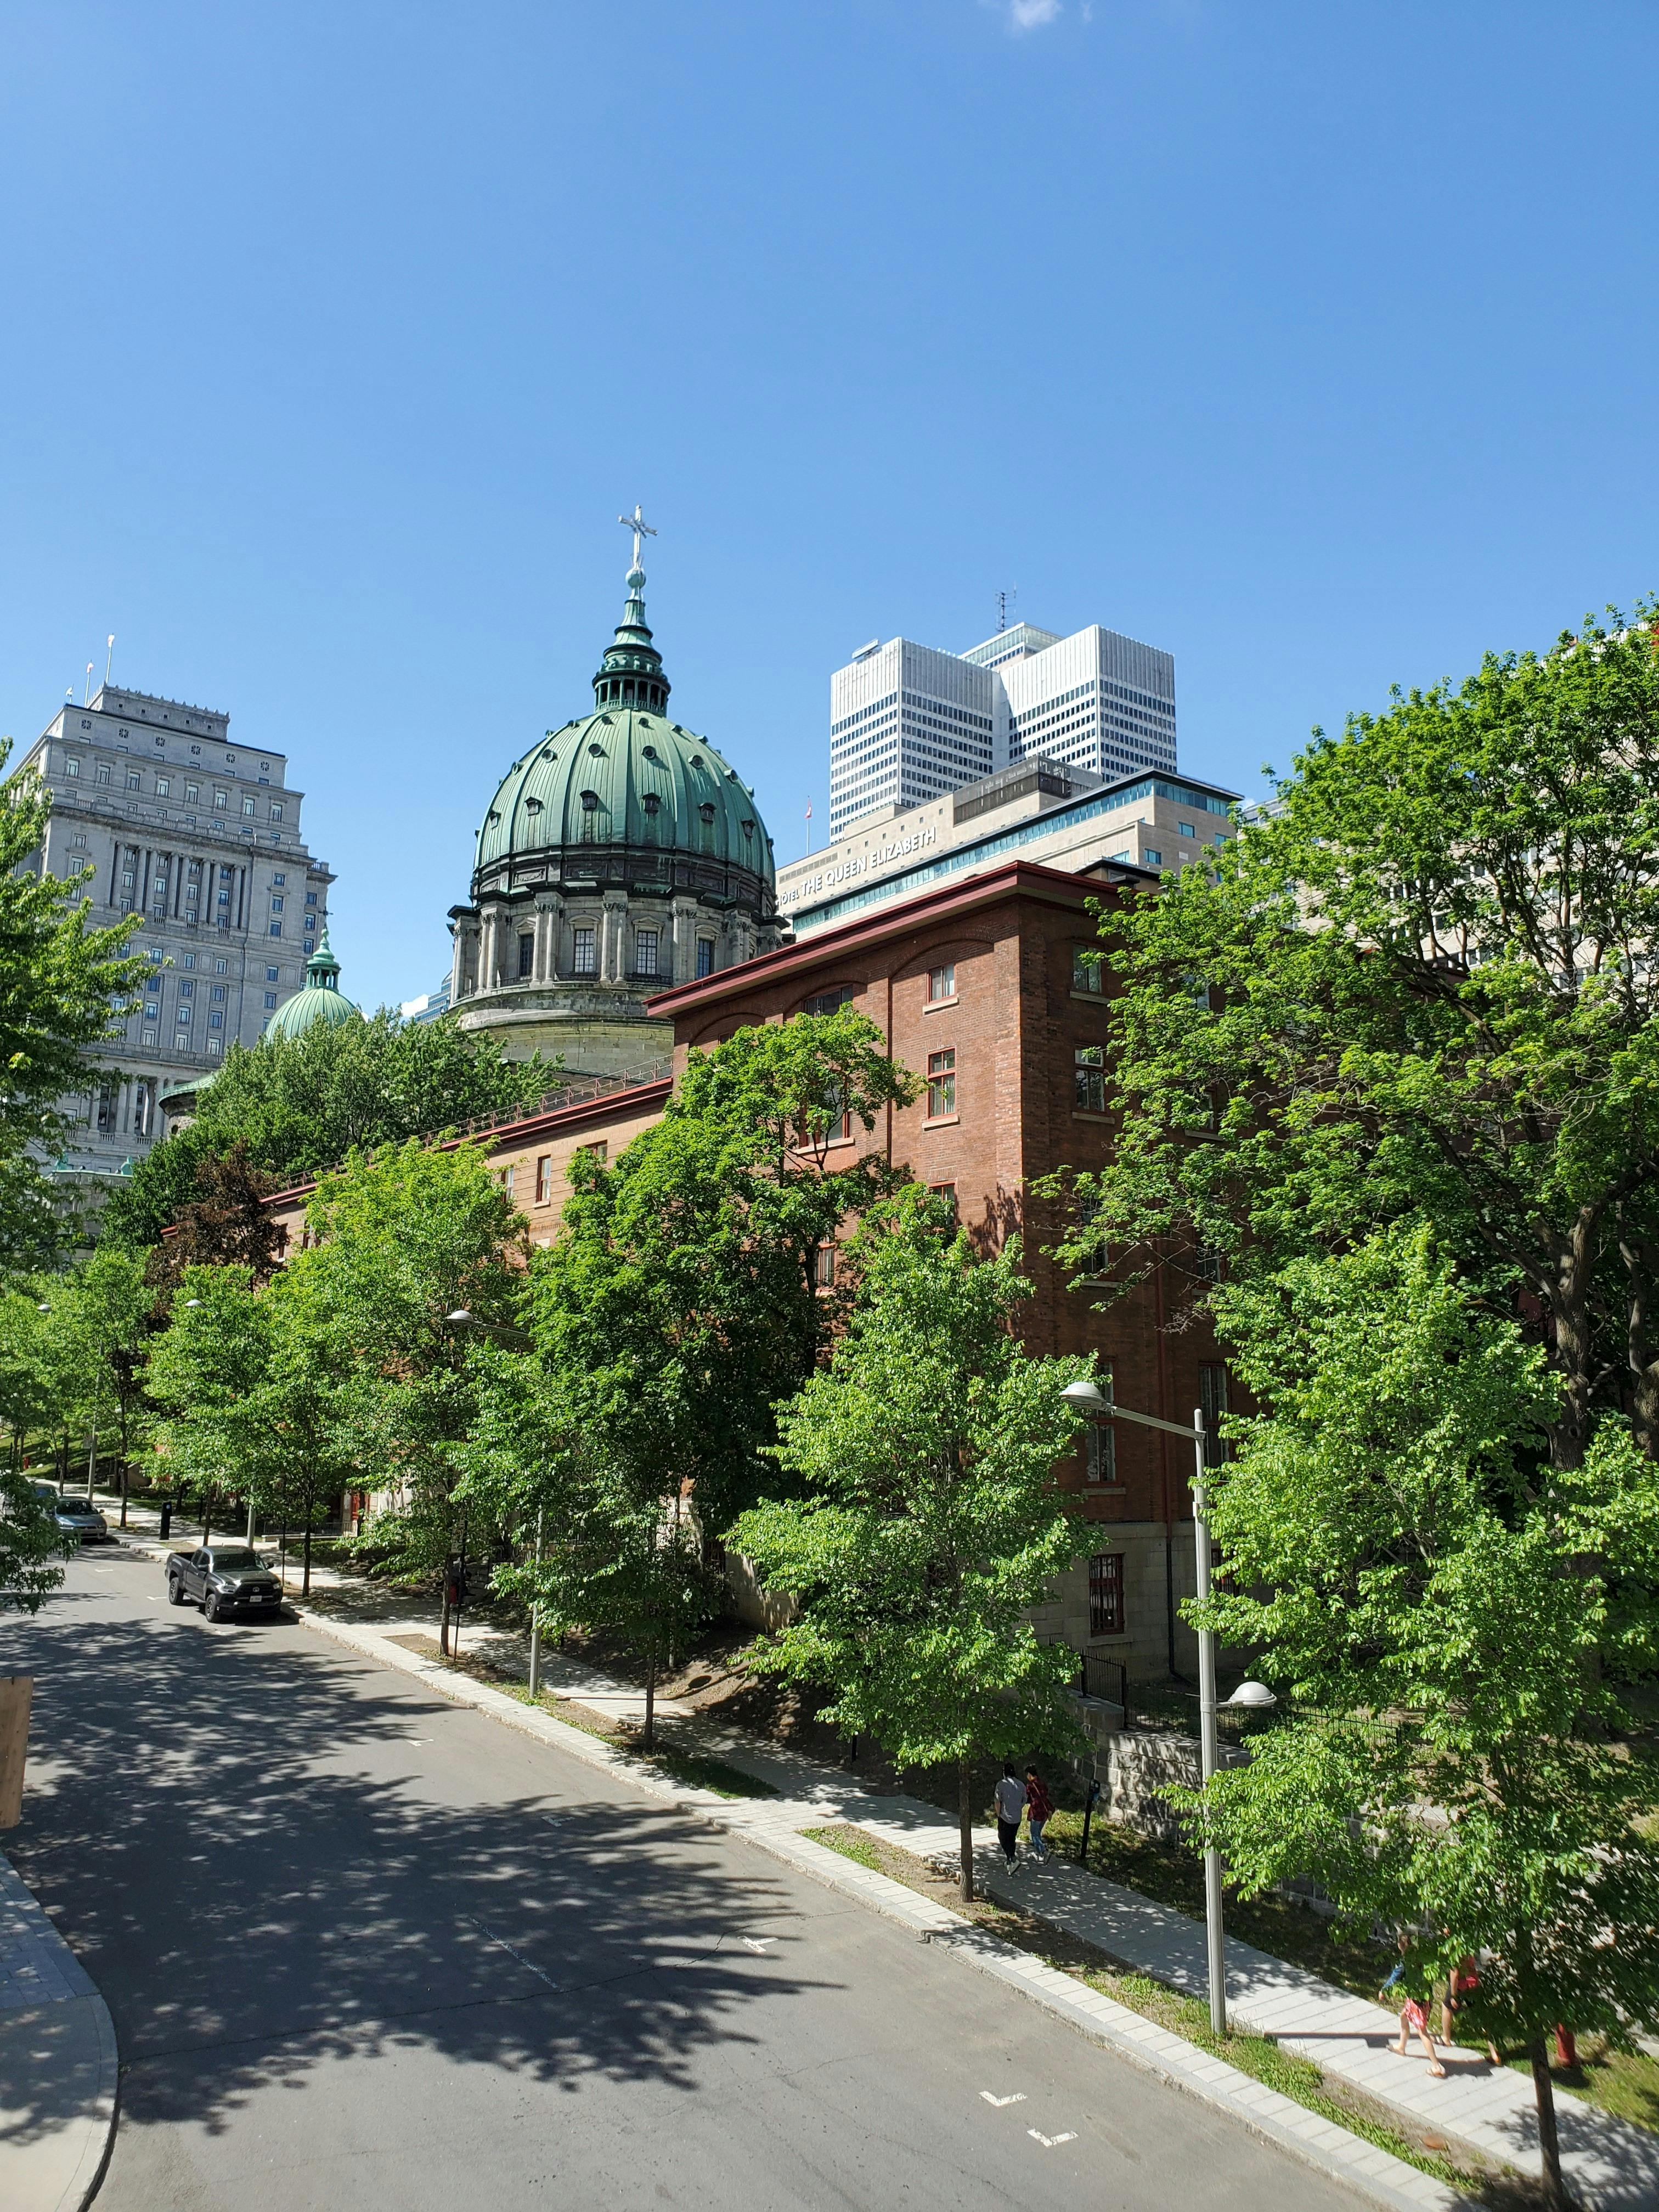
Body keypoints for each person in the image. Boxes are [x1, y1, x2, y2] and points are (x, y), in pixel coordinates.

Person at [1383, 1934, 1446, 2076]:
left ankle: (1437, 2066)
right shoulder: (1421, 1957)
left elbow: (1395, 1976)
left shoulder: (1404, 1962)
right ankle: (1401, 2047)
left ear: (1400, 1946)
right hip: (1424, 1998)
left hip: (1416, 2001)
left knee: (1423, 2032)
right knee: (1404, 2018)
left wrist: (1383, 1991)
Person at [1442, 1955, 1500, 2066]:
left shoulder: (1454, 1950)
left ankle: (1446, 2038)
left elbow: (1455, 1974)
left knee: (1446, 2006)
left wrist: (1454, 1996)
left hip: (1461, 1985)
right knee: (1482, 2016)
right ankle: (1494, 2054)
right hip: (1474, 1983)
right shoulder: (1468, 1946)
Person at [994, 1764, 1027, 1870]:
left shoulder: (1001, 1784)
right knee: (1012, 1838)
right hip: (1017, 1817)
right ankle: (1011, 1859)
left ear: (1004, 1772)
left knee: (1003, 1838)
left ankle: (1011, 1857)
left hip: (1005, 1817)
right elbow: (1024, 1800)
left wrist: (999, 1814)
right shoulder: (1021, 1785)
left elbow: (997, 1801)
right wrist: (1017, 1807)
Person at [1024, 1765, 1054, 1864]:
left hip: (1036, 1812)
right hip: (1045, 1812)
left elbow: (1027, 1798)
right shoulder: (1042, 1783)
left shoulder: (1030, 1786)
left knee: (1034, 1835)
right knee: (1038, 1833)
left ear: (1029, 1775)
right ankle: (1039, 1853)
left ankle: (1043, 1852)